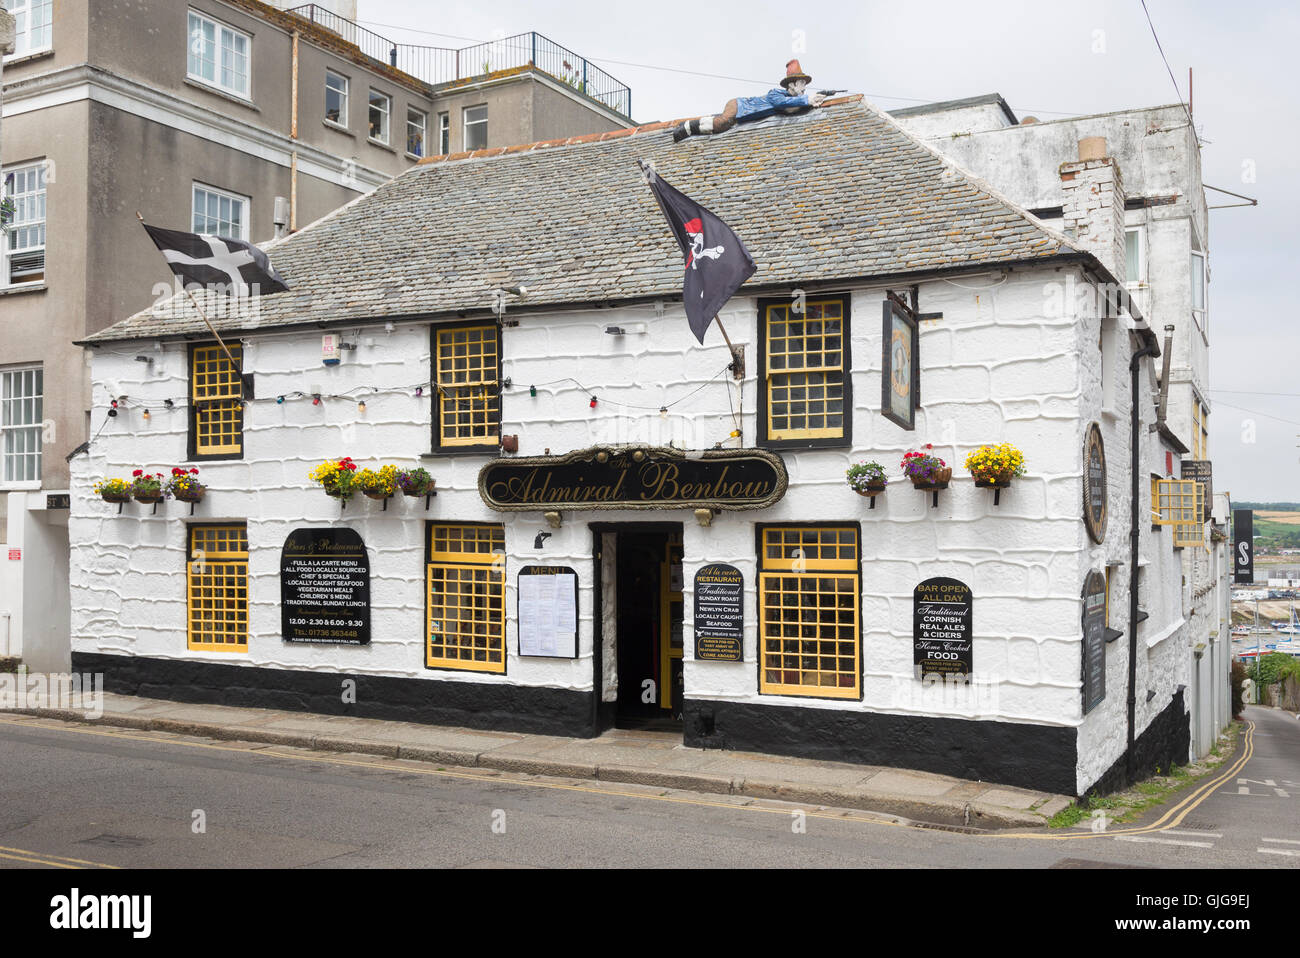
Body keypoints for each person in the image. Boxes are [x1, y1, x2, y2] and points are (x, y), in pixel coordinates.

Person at [673, 60, 827, 143]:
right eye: (802, 84)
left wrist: (816, 98)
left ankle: (690, 126)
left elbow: (792, 108)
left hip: (740, 108)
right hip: (738, 105)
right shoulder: (776, 94)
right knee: (722, 123)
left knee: (721, 121)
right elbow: (783, 104)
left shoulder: (791, 101)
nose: (804, 88)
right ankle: (687, 127)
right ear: (792, 84)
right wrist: (808, 99)